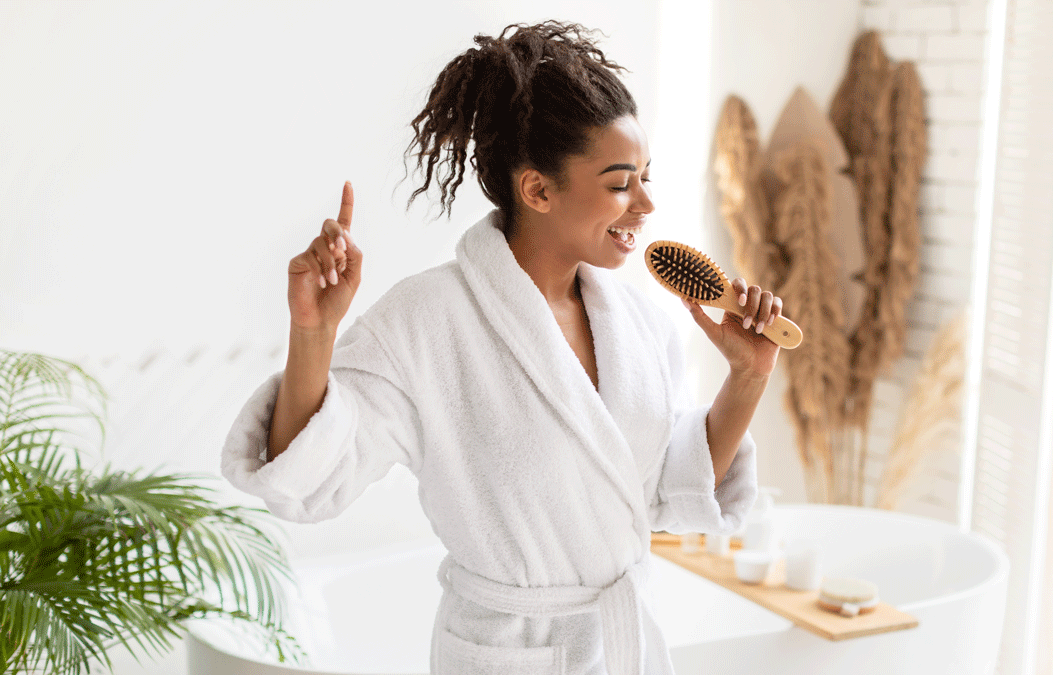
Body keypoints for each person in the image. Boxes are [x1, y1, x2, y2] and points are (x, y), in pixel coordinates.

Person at [222, 21, 786, 675]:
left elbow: (667, 491)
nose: (647, 203)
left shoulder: (640, 323)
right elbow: (308, 478)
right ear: (538, 190)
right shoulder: (428, 319)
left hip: (617, 647)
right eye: (620, 182)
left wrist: (746, 375)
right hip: (506, 653)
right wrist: (314, 334)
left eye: (647, 177)